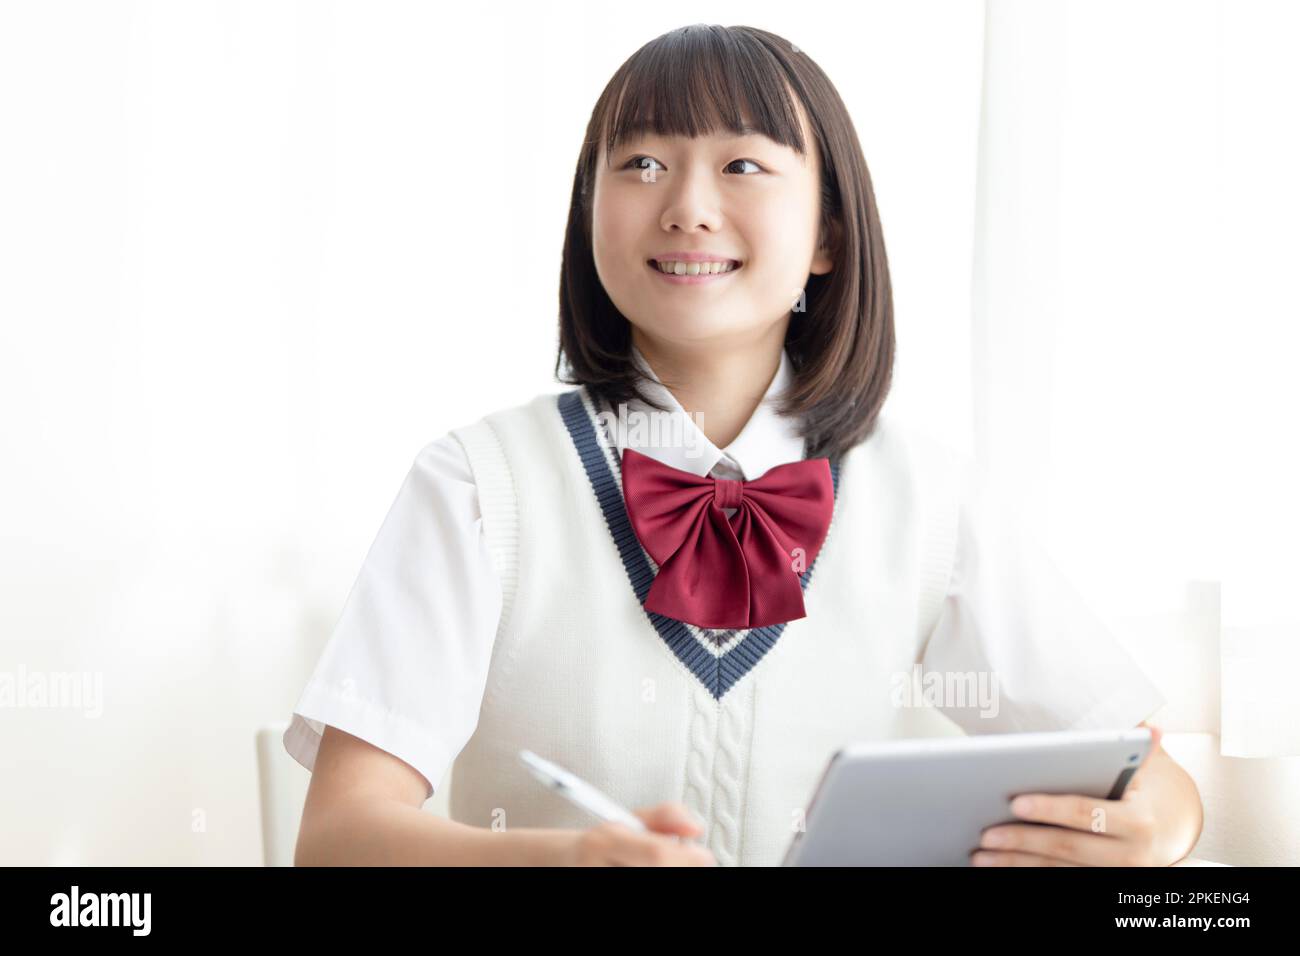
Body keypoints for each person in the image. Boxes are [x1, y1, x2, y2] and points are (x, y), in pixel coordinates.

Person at [285, 23, 1203, 867]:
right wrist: (569, 862)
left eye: (743, 166)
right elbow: (337, 839)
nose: (686, 205)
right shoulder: (482, 483)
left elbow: (1150, 775)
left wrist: (1154, 830)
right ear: (588, 212)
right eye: (641, 162)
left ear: (828, 238)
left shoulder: (923, 495)